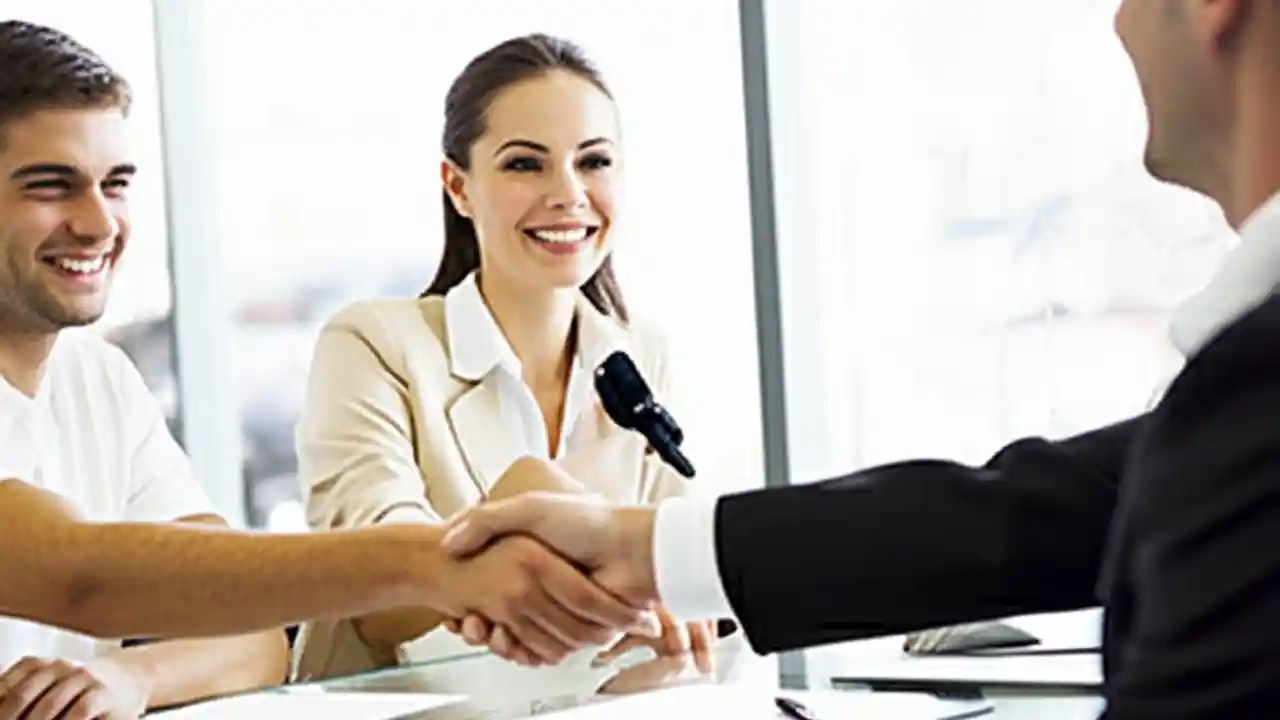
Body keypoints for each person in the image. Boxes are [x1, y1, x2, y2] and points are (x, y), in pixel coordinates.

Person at [440, 0, 1280, 716]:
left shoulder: (1253, 379)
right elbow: (1046, 509)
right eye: (525, 163)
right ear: (460, 186)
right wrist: (654, 551)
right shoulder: (1241, 381)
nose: (1120, 20)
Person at [0, 19, 655, 718]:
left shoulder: (100, 381)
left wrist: (132, 679)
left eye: (115, 184)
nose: (99, 223)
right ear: (457, 188)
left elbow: (253, 630)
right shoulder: (374, 341)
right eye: (51, 186)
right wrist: (439, 563)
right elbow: (76, 575)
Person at [292, 34, 717, 684]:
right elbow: (380, 590)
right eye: (526, 165)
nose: (569, 193)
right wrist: (542, 499)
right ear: (458, 187)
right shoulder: (373, 344)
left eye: (594, 162)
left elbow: (681, 604)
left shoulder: (641, 355)